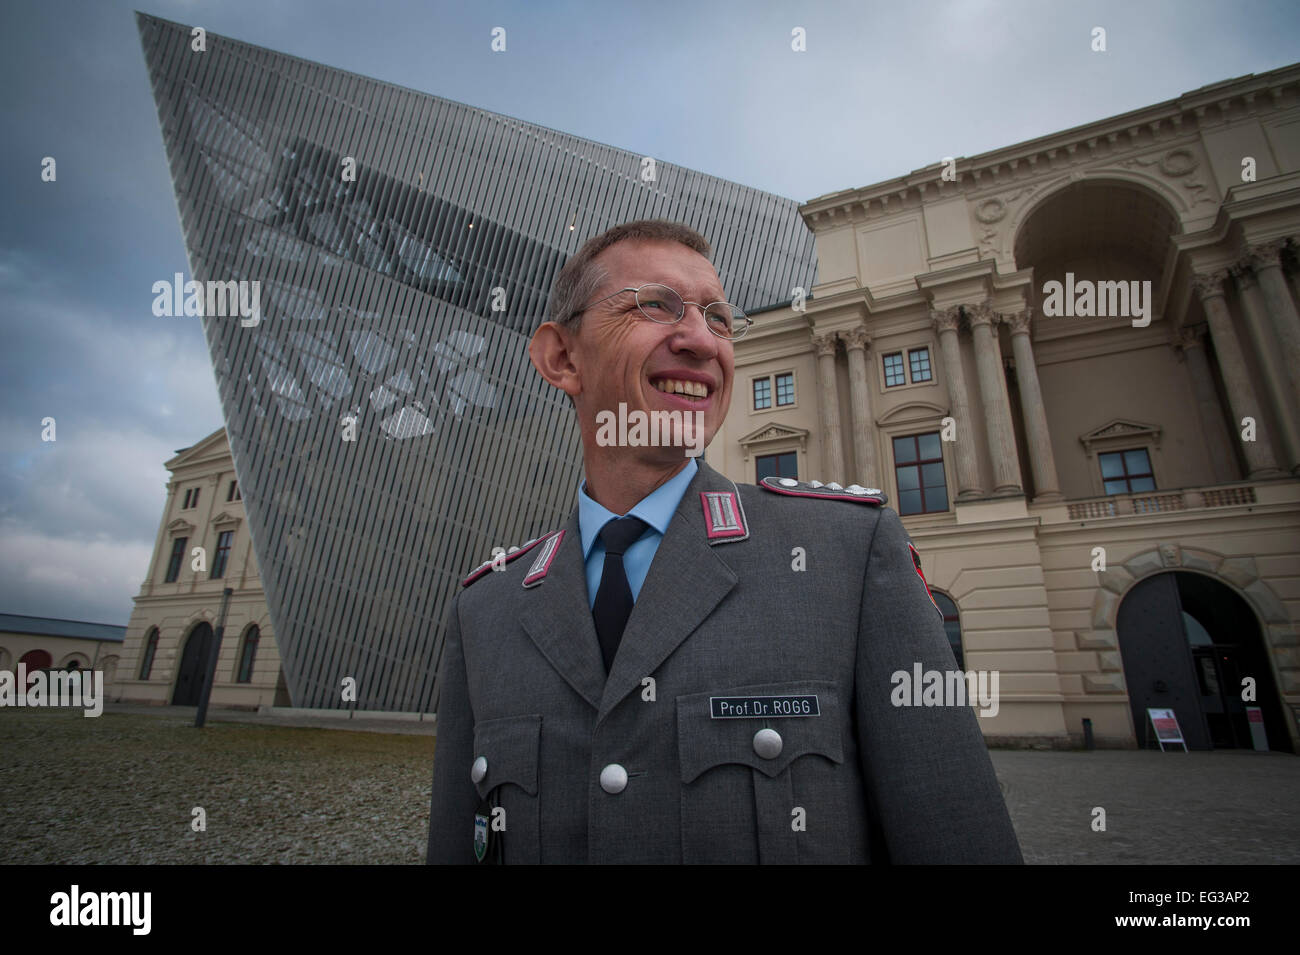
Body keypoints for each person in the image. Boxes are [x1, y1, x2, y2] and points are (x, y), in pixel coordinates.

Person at [426, 219, 1023, 864]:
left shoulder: (845, 557)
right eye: (655, 305)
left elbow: (957, 833)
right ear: (562, 358)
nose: (700, 340)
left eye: (719, 319)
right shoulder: (487, 607)